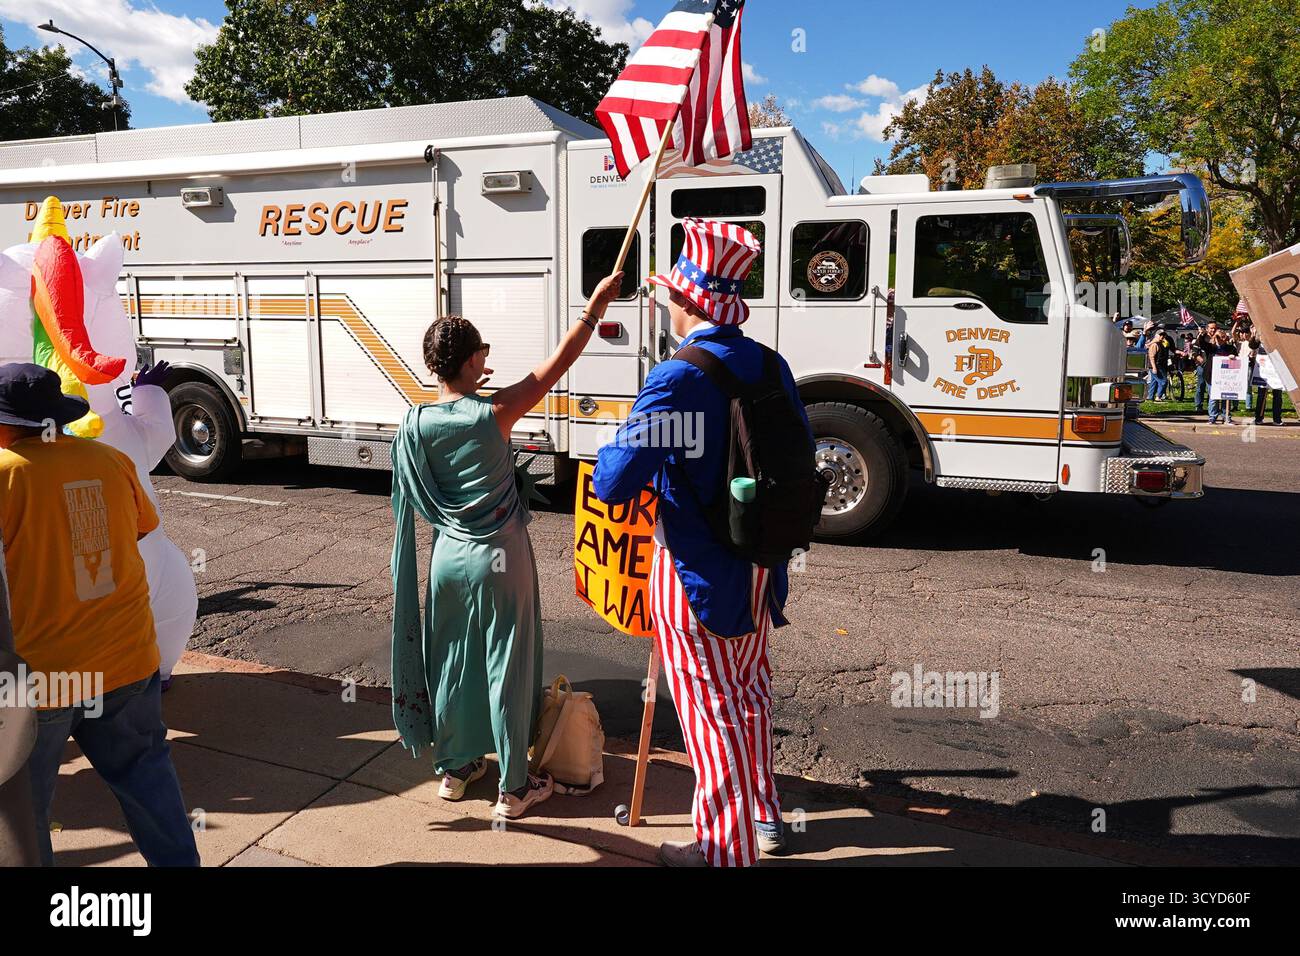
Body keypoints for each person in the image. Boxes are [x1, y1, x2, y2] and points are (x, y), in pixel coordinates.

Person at [593, 219, 812, 868]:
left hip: (696, 572)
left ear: (686, 300)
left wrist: (618, 438)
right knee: (748, 696)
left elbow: (614, 481)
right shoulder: (770, 362)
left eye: (668, 293)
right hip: (760, 562)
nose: (662, 300)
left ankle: (724, 851)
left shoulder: (678, 375)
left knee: (710, 716)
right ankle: (763, 815)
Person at [389, 271, 623, 820]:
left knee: (450, 661)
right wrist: (593, 307)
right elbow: (559, 364)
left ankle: (456, 768)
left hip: (448, 556)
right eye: (482, 353)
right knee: (507, 664)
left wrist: (465, 379)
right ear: (472, 362)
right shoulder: (494, 413)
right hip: (500, 557)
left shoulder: (414, 422)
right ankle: (515, 788)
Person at [0, 363, 199, 866]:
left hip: (41, 678)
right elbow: (138, 531)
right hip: (129, 659)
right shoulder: (110, 460)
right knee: (148, 780)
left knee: (23, 812)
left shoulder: (5, 473)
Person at [1206, 329, 1238, 424]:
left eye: (1222, 337)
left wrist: (1233, 357)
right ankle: (1212, 416)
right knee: (1213, 397)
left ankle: (1226, 415)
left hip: (1225, 377)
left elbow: (1236, 356)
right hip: (1211, 375)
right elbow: (1203, 344)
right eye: (1218, 337)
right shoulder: (1211, 347)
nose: (1221, 339)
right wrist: (1214, 339)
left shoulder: (1230, 348)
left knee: (1226, 397)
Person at [1250, 337, 1285, 426]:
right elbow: (1252, 345)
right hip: (1264, 367)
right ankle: (1258, 418)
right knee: (1261, 395)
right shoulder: (1260, 331)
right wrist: (1254, 337)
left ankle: (1277, 419)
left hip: (1277, 366)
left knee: (1277, 394)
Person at [1192, 321, 1221, 413]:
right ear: (1207, 329)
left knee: (1212, 387)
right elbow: (1194, 351)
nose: (1213, 330)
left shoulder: (1219, 338)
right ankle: (1198, 405)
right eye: (1211, 328)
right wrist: (1198, 357)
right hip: (1202, 366)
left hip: (1215, 367)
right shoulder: (1201, 338)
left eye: (1215, 328)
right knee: (1201, 386)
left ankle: (1211, 407)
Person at [1145, 325, 1169, 402]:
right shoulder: (1154, 344)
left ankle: (1150, 397)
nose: (1162, 336)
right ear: (1156, 335)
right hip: (1155, 366)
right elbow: (1151, 357)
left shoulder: (1160, 343)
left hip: (1159, 365)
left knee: (1154, 382)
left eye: (1163, 335)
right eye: (1161, 335)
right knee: (1163, 381)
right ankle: (1158, 397)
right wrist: (1154, 367)